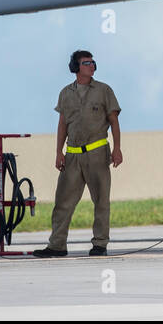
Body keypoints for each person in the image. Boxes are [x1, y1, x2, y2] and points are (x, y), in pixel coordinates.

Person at [34, 50, 122, 257]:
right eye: (86, 63)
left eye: (93, 62)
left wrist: (117, 148)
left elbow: (114, 121)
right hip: (72, 155)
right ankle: (57, 245)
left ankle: (100, 244)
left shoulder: (103, 90)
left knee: (101, 201)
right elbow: (62, 124)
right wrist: (58, 152)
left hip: (97, 155)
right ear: (76, 68)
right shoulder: (65, 93)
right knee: (63, 202)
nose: (91, 66)